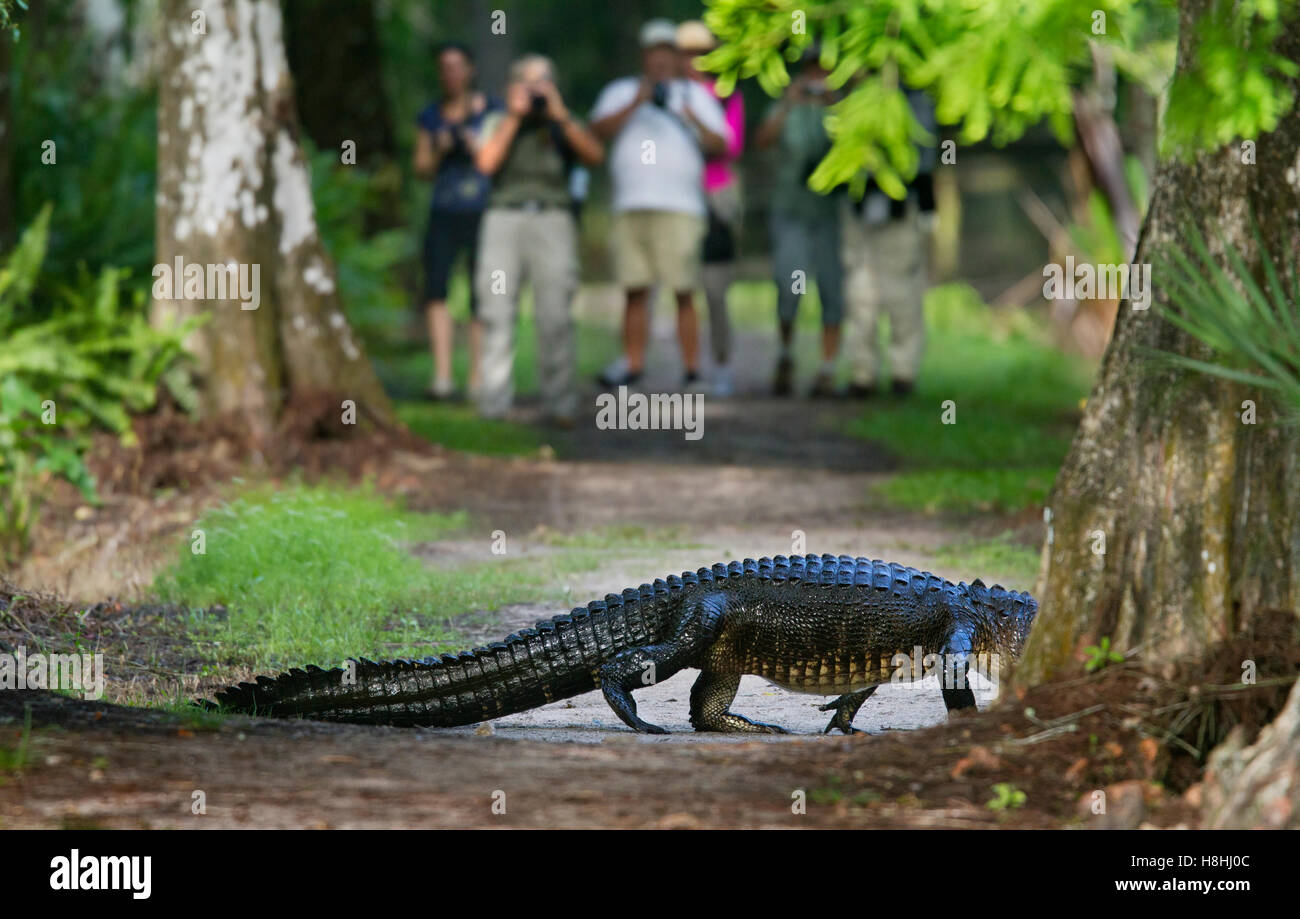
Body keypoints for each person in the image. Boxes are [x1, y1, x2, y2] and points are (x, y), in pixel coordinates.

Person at [589, 19, 730, 390]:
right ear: (644, 56)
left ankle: (692, 369)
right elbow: (596, 133)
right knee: (634, 288)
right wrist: (637, 102)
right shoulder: (621, 91)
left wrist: (688, 113)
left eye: (668, 53)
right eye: (654, 53)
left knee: (684, 288)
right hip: (631, 204)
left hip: (680, 206)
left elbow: (721, 145)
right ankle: (633, 365)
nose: (661, 61)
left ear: (676, 58)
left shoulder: (695, 95)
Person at [472, 54, 604, 425]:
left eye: (543, 81)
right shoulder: (498, 121)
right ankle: (493, 405)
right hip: (504, 219)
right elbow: (485, 164)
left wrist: (559, 115)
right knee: (496, 311)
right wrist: (515, 117)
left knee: (556, 314)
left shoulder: (562, 124)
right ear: (511, 88)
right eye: (527, 82)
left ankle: (560, 404)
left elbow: (595, 155)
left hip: (553, 219)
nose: (535, 90)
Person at [754, 51, 844, 398]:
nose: (817, 77)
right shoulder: (786, 106)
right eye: (812, 70)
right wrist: (789, 104)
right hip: (791, 211)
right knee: (789, 284)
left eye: (824, 70)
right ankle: (786, 354)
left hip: (829, 214)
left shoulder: (842, 106)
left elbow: (861, 143)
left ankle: (827, 369)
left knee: (832, 288)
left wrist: (834, 103)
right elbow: (761, 141)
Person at [413, 42, 498, 401]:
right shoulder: (430, 116)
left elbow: (494, 159)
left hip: (482, 209)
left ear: (471, 69)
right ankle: (443, 376)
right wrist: (441, 147)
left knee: (482, 294)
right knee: (437, 289)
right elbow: (421, 169)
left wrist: (474, 141)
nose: (451, 74)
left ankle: (478, 377)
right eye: (444, 67)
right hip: (443, 210)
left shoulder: (491, 109)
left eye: (457, 66)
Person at [841, 87, 938, 398]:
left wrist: (926, 206)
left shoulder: (916, 100)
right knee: (860, 292)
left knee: (901, 292)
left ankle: (902, 373)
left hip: (901, 209)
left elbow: (925, 159)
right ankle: (862, 374)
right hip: (860, 211)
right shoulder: (854, 96)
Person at [677, 19, 745, 398]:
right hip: (676, 197)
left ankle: (721, 363)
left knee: (715, 288)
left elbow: (730, 147)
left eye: (699, 54)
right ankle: (688, 367)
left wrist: (694, 119)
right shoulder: (666, 92)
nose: (692, 62)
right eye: (685, 55)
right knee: (679, 285)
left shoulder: (725, 95)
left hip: (716, 196)